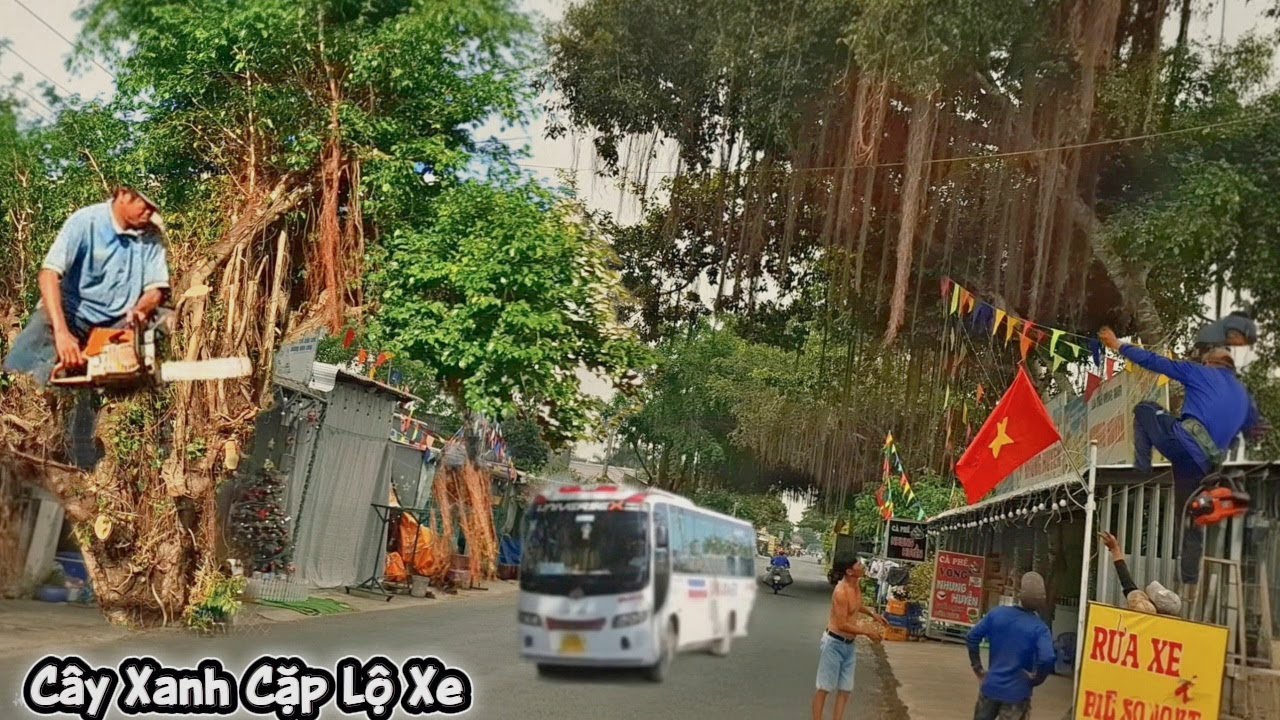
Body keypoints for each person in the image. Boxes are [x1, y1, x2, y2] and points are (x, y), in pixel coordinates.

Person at [1099, 327, 1266, 585]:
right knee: (1193, 518)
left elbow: (1156, 362)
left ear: (1210, 362)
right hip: (1205, 467)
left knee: (1144, 409)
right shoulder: (1245, 398)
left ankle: (1142, 468)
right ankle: (1188, 579)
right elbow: (1256, 431)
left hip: (1182, 443)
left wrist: (1118, 345)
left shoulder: (1199, 372)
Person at [4, 187, 170, 387]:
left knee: (152, 336)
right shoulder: (85, 221)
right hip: (71, 314)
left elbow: (155, 289)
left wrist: (140, 310)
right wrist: (62, 333)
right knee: (26, 362)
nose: (149, 213)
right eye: (145, 207)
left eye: (153, 209)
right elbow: (48, 275)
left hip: (117, 320)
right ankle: (24, 391)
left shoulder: (150, 235)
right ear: (124, 196)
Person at [966, 572, 1056, 720]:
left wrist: (978, 668)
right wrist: (1036, 679)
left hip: (990, 687)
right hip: (1018, 694)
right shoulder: (1040, 628)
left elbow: (972, 637)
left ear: (1019, 593)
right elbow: (1048, 658)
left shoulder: (997, 614)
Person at [813, 558, 888, 720]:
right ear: (849, 571)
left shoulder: (856, 586)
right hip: (833, 643)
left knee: (845, 689)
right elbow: (842, 625)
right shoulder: (841, 592)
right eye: (859, 565)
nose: (863, 566)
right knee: (824, 687)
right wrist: (867, 632)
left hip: (849, 645)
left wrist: (872, 614)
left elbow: (855, 605)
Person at [1099, 531, 1182, 616]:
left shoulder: (1142, 608)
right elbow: (1127, 582)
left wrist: (1115, 549)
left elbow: (1126, 582)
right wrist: (1115, 549)